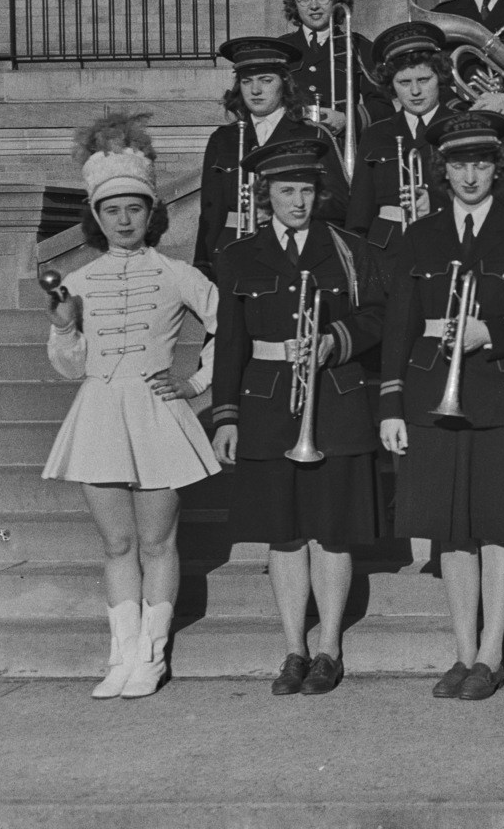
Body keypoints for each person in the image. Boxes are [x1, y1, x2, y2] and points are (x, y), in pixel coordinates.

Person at [378, 110, 504, 701]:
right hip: (435, 393)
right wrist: (391, 405)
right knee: (451, 529)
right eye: (459, 164)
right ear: (444, 170)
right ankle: (461, 652)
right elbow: (400, 325)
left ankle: (492, 654)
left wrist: (493, 333)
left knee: (500, 522)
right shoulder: (420, 235)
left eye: (482, 163)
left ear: (497, 167)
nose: (471, 175)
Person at [43, 112, 219, 700]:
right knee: (116, 545)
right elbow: (68, 367)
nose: (124, 220)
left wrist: (197, 385)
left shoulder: (176, 273)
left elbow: (231, 328)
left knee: (157, 543)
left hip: (154, 414)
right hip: (97, 414)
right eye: (112, 210)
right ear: (96, 218)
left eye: (134, 209)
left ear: (151, 214)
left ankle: (151, 654)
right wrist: (67, 329)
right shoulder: (82, 281)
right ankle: (119, 654)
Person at [209, 136, 386, 698]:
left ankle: (329, 647)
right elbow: (230, 343)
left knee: (332, 531)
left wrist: (338, 338)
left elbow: (380, 316)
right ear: (267, 196)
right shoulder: (238, 256)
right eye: (286, 191)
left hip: (335, 400)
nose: (299, 201)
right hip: (266, 406)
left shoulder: (350, 250)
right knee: (282, 536)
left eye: (307, 190)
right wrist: (227, 416)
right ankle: (293, 648)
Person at [194, 37, 346, 274]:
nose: (255, 90)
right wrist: (203, 267)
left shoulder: (313, 135)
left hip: (294, 250)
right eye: (247, 81)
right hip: (232, 252)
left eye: (266, 80)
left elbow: (339, 203)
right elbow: (210, 213)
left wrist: (280, 208)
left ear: (284, 83)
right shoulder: (222, 139)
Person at [346, 22, 453, 257]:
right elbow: (359, 214)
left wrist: (436, 203)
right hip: (387, 252)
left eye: (424, 80)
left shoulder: (459, 127)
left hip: (448, 242)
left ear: (440, 77)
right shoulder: (376, 134)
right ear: (391, 85)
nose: (415, 92)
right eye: (404, 83)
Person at [274, 0, 385, 139]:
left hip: (341, 151)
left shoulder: (360, 46)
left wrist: (347, 119)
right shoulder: (280, 50)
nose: (314, 6)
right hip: (293, 150)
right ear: (294, 5)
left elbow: (383, 105)